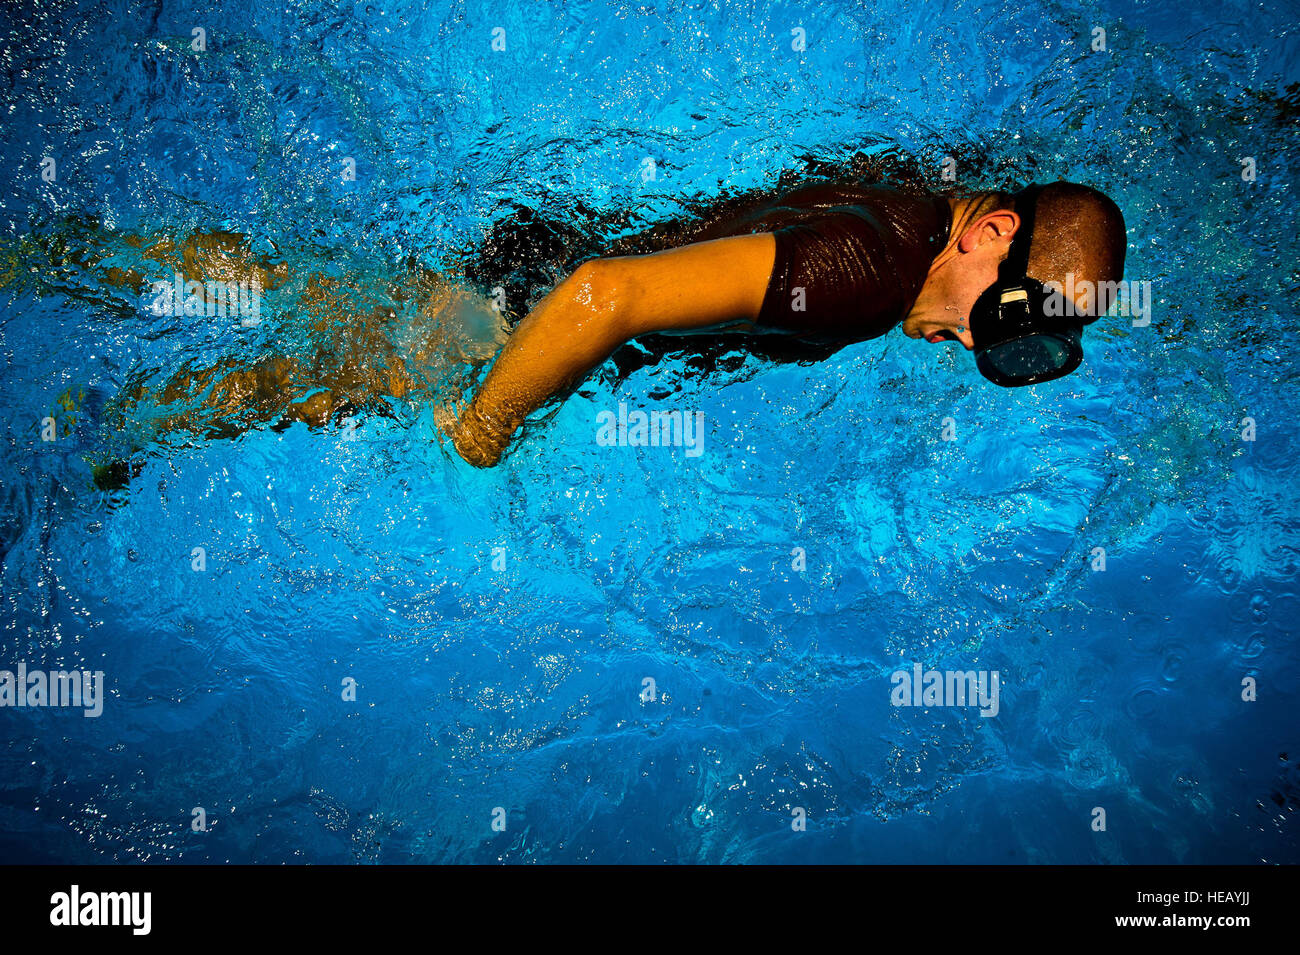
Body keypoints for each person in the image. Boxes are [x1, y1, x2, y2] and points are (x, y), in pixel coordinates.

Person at [446, 179, 1127, 466]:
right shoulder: (862, 280)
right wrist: (484, 428)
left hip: (539, 265)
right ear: (991, 231)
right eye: (996, 317)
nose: (974, 342)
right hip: (507, 318)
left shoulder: (926, 209)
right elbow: (606, 291)